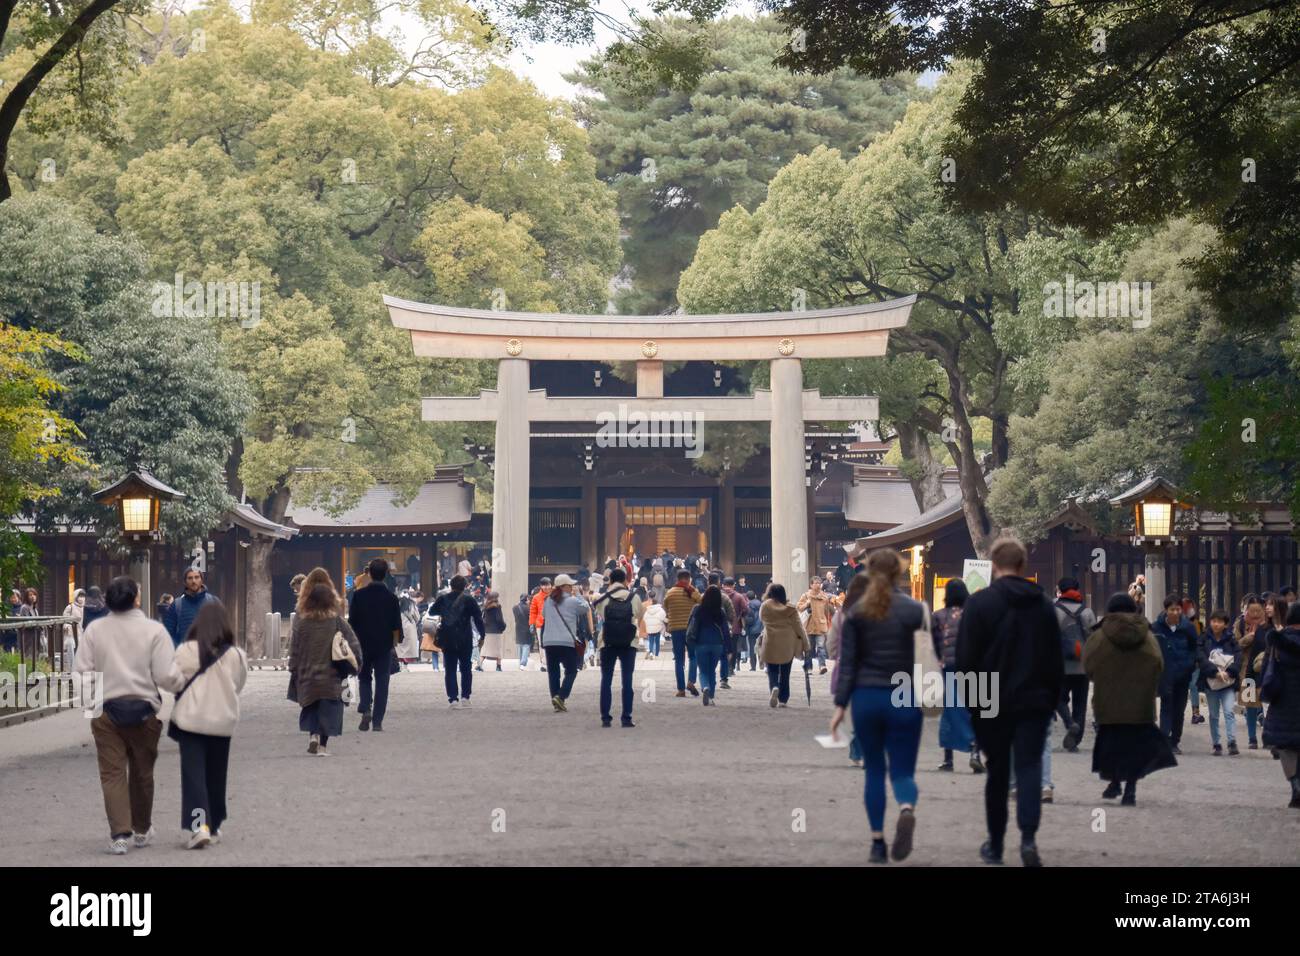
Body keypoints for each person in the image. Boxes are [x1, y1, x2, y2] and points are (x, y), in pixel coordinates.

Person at [955, 537, 1063, 867]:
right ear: (1023, 565)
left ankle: (997, 843)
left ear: (993, 565)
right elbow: (1053, 659)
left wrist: (973, 705)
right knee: (1029, 766)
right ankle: (1028, 838)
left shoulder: (980, 603)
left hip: (990, 698)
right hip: (1033, 699)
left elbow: (966, 659)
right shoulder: (1044, 605)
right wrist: (1052, 701)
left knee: (998, 772)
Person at [74, 575, 184, 855]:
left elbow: (81, 671)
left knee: (112, 774)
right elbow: (166, 675)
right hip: (144, 710)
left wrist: (92, 706)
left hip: (106, 710)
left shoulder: (95, 630)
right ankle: (142, 828)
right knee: (142, 774)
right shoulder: (154, 631)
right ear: (136, 598)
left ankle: (119, 834)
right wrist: (181, 684)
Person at [829, 549, 926, 864]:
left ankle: (877, 843)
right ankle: (907, 808)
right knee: (902, 769)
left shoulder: (857, 612)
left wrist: (840, 705)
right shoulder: (915, 611)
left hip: (867, 696)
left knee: (874, 770)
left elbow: (849, 664)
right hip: (904, 694)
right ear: (900, 573)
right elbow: (927, 659)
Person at [168, 601, 248, 848]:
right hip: (222, 720)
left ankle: (198, 825)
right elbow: (238, 684)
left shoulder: (186, 650)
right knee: (216, 775)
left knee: (194, 777)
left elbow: (173, 680)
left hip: (191, 720)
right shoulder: (235, 654)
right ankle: (214, 825)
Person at [1084, 592, 1176, 806]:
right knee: (1134, 747)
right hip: (1140, 703)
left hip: (1108, 702)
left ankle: (1115, 781)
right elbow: (1157, 662)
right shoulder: (1147, 634)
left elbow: (1088, 664)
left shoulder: (1100, 635)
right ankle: (1130, 791)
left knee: (1112, 744)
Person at [288, 576, 362, 756]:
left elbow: (294, 646)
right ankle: (323, 746)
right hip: (331, 674)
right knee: (328, 711)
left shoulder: (303, 621)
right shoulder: (335, 621)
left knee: (311, 706)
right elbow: (352, 642)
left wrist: (293, 667)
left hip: (307, 673)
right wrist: (356, 664)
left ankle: (313, 736)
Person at [933, 579, 982, 773]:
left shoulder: (938, 616)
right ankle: (975, 750)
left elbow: (933, 643)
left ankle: (949, 758)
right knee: (971, 710)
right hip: (972, 667)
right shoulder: (974, 616)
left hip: (948, 667)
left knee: (950, 711)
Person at [348, 558, 402, 732]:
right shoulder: (392, 598)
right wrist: (395, 642)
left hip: (363, 643)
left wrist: (352, 642)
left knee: (364, 677)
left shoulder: (359, 595)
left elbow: (353, 621)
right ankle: (377, 721)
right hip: (383, 645)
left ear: (369, 573)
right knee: (382, 681)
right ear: (386, 574)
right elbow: (396, 625)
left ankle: (365, 707)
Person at [592, 568, 641, 727]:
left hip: (607, 642)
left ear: (611, 581)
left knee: (606, 679)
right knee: (627, 680)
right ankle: (626, 717)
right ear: (626, 580)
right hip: (629, 642)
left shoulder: (603, 598)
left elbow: (599, 613)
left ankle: (605, 718)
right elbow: (639, 615)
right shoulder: (634, 597)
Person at [1262, 602, 1300, 807]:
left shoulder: (1279, 641)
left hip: (1283, 701)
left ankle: (1295, 785)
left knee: (1286, 747)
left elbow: (1268, 669)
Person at [1053, 576, 1096, 752]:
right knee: (1080, 703)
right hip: (1082, 665)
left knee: (1057, 698)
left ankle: (1069, 723)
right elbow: (1094, 639)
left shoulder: (1053, 611)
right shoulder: (1087, 612)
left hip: (1060, 665)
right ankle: (1075, 742)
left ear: (1060, 590)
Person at [1152, 593, 1198, 755]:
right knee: (1166, 707)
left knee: (1179, 710)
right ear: (1166, 610)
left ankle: (1175, 740)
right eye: (1172, 609)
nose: (1175, 613)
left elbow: (1195, 647)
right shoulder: (1156, 627)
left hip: (1183, 675)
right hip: (1165, 675)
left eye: (1178, 609)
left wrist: (1190, 665)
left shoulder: (1188, 628)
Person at [430, 575, 484, 708]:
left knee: (450, 669)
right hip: (465, 638)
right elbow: (478, 618)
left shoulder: (443, 599)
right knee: (466, 668)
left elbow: (432, 611)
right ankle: (465, 697)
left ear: (451, 586)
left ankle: (453, 699)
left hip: (448, 638)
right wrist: (482, 635)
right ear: (465, 586)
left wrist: (444, 612)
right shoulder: (469, 600)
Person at [1196, 608, 1240, 755]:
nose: (1216, 624)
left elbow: (1238, 657)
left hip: (1228, 682)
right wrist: (1214, 672)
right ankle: (1216, 743)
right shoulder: (1203, 638)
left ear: (1225, 624)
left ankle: (1232, 741)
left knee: (1229, 712)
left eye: (1220, 621)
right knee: (1214, 714)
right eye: (1214, 621)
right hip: (1211, 682)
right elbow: (1201, 657)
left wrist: (1230, 672)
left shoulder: (1231, 639)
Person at [758, 584, 809, 708]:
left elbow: (761, 619)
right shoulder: (790, 609)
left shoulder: (765, 606)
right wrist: (806, 644)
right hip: (788, 643)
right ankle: (783, 699)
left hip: (770, 641)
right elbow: (799, 627)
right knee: (785, 672)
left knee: (772, 670)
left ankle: (774, 687)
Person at [541, 573, 585, 712]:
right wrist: (578, 594)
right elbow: (585, 608)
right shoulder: (572, 600)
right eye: (570, 585)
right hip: (566, 642)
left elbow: (543, 615)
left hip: (549, 642)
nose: (572, 587)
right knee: (571, 671)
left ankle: (556, 699)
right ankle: (561, 696)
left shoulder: (548, 600)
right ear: (564, 587)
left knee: (553, 673)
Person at [1240, 596, 1279, 749]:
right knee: (1250, 705)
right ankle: (1252, 738)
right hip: (1248, 670)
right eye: (1252, 610)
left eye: (1259, 610)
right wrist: (1248, 637)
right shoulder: (1242, 625)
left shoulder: (1273, 628)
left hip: (1267, 671)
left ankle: (1267, 737)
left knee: (1268, 705)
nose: (1256, 613)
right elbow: (1235, 645)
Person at [686, 585, 729, 706]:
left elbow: (691, 626)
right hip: (717, 644)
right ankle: (710, 696)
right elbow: (725, 630)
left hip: (701, 643)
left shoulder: (698, 609)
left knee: (703, 670)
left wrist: (690, 641)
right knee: (712, 671)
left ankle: (705, 687)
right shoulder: (720, 612)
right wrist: (728, 647)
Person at [663, 569, 702, 698]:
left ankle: (681, 689)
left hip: (675, 629)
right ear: (689, 579)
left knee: (679, 660)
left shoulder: (670, 593)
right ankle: (691, 681)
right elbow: (701, 603)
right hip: (691, 628)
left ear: (677, 579)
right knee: (693, 656)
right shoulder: (693, 592)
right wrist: (691, 590)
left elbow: (666, 608)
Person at [164, 568, 220, 648]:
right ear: (185, 582)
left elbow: (222, 629)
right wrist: (179, 649)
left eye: (197, 577)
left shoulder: (214, 602)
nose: (193, 581)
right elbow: (168, 633)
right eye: (190, 578)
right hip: (185, 656)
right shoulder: (177, 605)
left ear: (202, 580)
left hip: (209, 656)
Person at [797, 577, 833, 675]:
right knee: (809, 648)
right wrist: (807, 604)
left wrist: (827, 622)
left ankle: (822, 666)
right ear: (811, 585)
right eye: (816, 583)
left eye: (819, 583)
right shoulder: (806, 596)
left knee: (821, 647)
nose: (818, 585)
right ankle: (808, 668)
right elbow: (799, 607)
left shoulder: (824, 597)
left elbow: (827, 612)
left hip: (821, 625)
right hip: (809, 626)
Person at [722, 577, 749, 681]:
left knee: (722, 647)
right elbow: (746, 609)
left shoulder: (718, 595)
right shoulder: (739, 596)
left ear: (723, 585)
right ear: (733, 585)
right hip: (735, 626)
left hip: (719, 626)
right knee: (732, 648)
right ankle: (731, 668)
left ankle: (723, 667)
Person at [478, 591, 506, 672]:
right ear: (496, 598)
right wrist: (503, 626)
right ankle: (498, 667)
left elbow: (483, 618)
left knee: (485, 649)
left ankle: (479, 665)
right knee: (498, 649)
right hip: (496, 631)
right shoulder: (497, 606)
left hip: (487, 630)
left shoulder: (485, 606)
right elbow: (499, 619)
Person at [529, 578, 551, 672]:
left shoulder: (555, 595)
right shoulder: (536, 597)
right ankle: (544, 664)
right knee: (542, 645)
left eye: (548, 584)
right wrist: (531, 624)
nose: (546, 587)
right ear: (541, 586)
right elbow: (533, 612)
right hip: (540, 624)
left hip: (553, 624)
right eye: (544, 585)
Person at [61, 588, 85, 671]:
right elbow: (64, 619)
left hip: (81, 633)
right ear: (75, 597)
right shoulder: (70, 607)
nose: (81, 598)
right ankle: (72, 669)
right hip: (71, 633)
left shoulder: (85, 608)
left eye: (83, 596)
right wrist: (67, 626)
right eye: (79, 596)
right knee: (71, 651)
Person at [641, 591, 666, 661]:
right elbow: (663, 617)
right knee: (657, 641)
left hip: (650, 628)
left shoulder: (648, 610)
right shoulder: (660, 609)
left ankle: (651, 652)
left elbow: (644, 618)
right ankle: (657, 654)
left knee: (651, 641)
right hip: (657, 628)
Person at [513, 592, 533, 669]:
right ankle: (523, 663)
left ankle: (520, 663)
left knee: (520, 646)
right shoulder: (529, 608)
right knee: (526, 646)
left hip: (518, 629)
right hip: (527, 629)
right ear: (527, 599)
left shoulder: (514, 607)